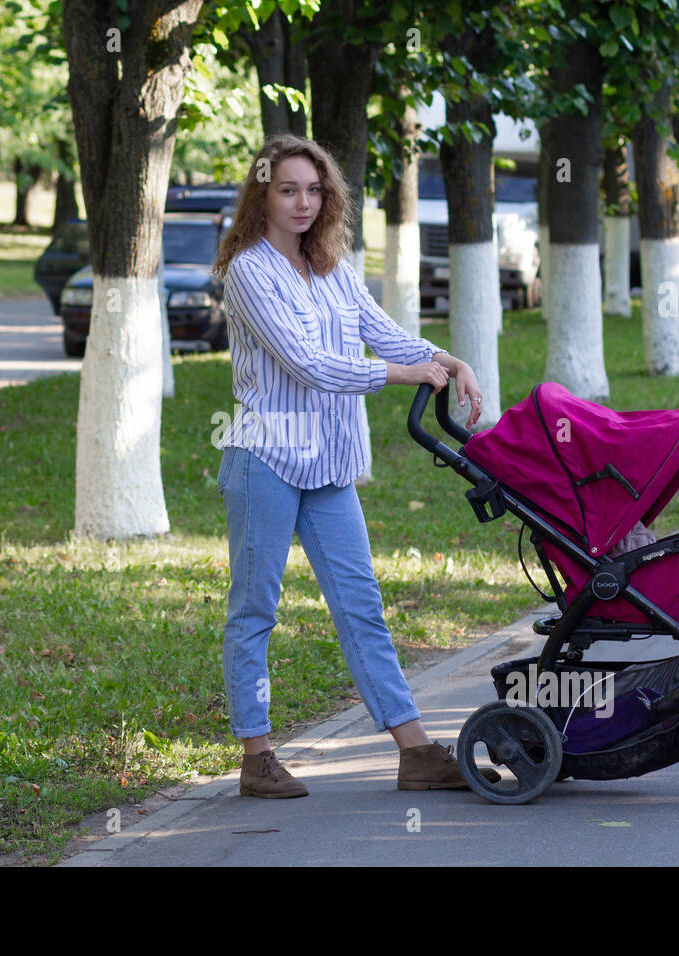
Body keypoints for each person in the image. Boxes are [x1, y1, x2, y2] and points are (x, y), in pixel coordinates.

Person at [210, 133, 499, 798]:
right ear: (263, 194)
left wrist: (448, 360)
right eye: (288, 189)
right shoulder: (250, 272)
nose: (303, 202)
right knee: (255, 609)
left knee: (361, 606)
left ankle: (415, 751)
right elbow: (307, 361)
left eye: (314, 189)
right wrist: (405, 375)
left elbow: (382, 330)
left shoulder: (331, 268)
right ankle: (256, 755)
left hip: (329, 464)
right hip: (268, 457)